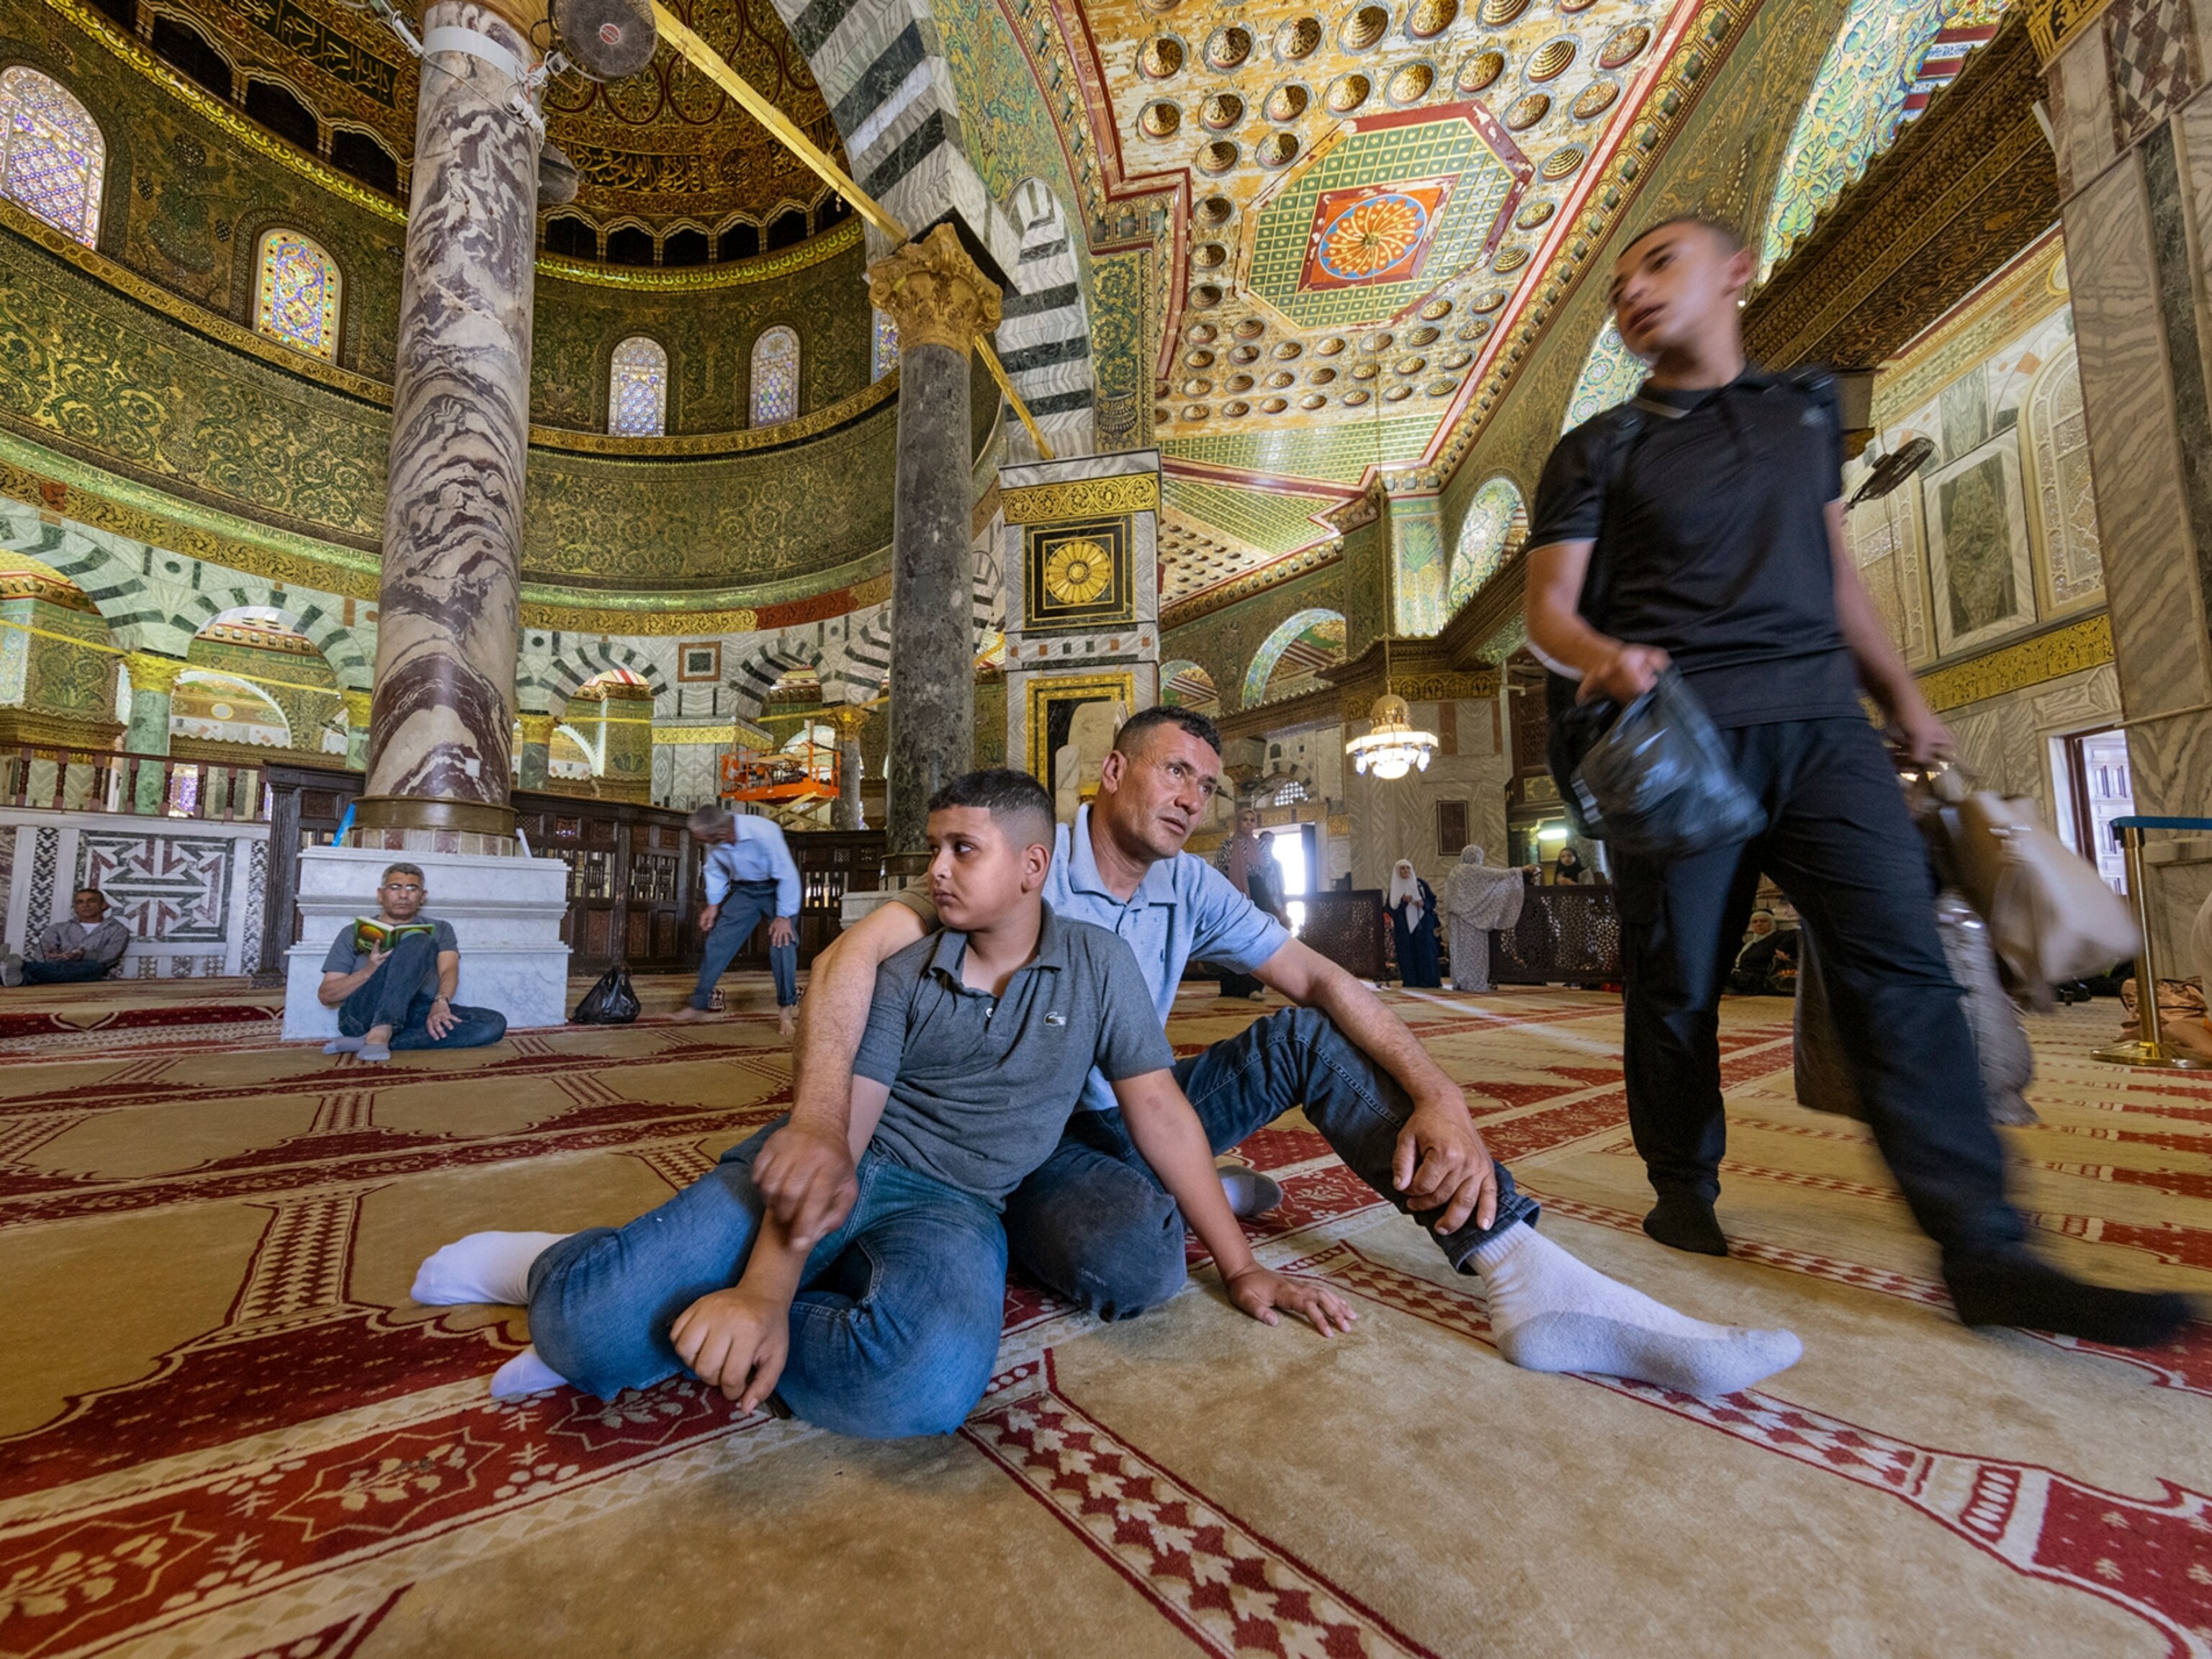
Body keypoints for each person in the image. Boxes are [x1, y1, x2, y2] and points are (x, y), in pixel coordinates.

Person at [1521, 214, 2190, 1346]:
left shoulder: (1803, 411)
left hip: (1826, 732)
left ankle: (1985, 1250)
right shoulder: (1598, 448)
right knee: (1676, 984)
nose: (1632, 290)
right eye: (1618, 283)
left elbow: (1835, 572)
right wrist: (1604, 657)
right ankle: (1685, 1184)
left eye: (1660, 262)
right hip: (1677, 740)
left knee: (1905, 972)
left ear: (1737, 272)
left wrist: (1907, 700)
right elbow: (1549, 611)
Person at [752, 706, 1804, 1399]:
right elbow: (855, 960)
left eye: (1206, 786)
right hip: (1024, 1141)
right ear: (1113, 771)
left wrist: (1439, 1093)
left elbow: (1328, 984)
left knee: (1307, 1036)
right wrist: (820, 1123)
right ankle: (1189, 1195)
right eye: (1174, 771)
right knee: (1136, 1264)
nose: (1190, 799)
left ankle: (1521, 1269)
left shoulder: (1188, 882)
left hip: (1140, 1107)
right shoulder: (1008, 860)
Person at [410, 770, 1355, 1432]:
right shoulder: (904, 963)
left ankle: (705, 1307)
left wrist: (1241, 1270)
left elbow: (1163, 1116)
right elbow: (839, 1141)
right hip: (847, 1167)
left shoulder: (1099, 965)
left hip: (960, 1209)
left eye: (962, 850)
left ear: (1032, 868)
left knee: (925, 1387)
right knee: (586, 1332)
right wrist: (763, 1285)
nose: (935, 869)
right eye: (935, 847)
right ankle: (568, 1266)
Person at [317, 863, 506, 1061]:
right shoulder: (352, 933)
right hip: (362, 1014)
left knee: (492, 1024)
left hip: (416, 1012)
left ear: (423, 896)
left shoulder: (441, 929)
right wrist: (369, 971)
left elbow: (449, 971)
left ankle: (371, 1039)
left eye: (412, 889)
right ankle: (379, 1030)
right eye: (395, 887)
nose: (403, 895)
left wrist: (441, 1002)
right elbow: (326, 995)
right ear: (381, 894)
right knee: (420, 940)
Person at [682, 803, 801, 1037]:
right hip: (745, 891)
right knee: (718, 942)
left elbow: (788, 875)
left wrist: (784, 916)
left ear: (721, 833)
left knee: (783, 944)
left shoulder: (764, 831)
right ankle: (697, 1004)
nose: (700, 842)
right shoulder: (714, 841)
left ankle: (786, 1011)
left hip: (777, 888)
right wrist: (713, 905)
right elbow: (715, 870)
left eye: (702, 838)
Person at [1440, 847, 1526, 994]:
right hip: (1475, 922)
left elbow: (1448, 897)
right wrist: (1520, 871)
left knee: (1460, 952)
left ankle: (1460, 981)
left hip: (1457, 920)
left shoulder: (1455, 871)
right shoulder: (1474, 871)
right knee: (1474, 953)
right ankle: (1473, 983)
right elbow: (1496, 875)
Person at [1213, 805, 1277, 999]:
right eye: (1245, 820)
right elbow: (1220, 869)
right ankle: (1232, 987)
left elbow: (1268, 871)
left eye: (1252, 820)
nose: (1249, 824)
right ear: (1238, 822)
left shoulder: (1261, 846)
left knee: (1256, 938)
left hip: (1257, 893)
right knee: (1232, 938)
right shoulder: (1228, 845)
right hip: (1233, 893)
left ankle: (1254, 986)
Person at [1, 888, 129, 985]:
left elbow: (108, 957)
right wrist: (60, 956)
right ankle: (18, 978)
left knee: (90, 967)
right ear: (76, 908)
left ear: (104, 905)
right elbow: (41, 955)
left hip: (90, 969)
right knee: (52, 968)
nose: (85, 905)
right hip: (54, 965)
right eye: (80, 902)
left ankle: (21, 966)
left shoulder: (117, 930)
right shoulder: (58, 928)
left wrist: (81, 955)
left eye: (92, 901)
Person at [1385, 860, 1441, 989]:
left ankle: (1428, 981)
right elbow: (1390, 908)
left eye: (1408, 868)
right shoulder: (1395, 888)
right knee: (1407, 953)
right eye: (1402, 869)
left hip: (1423, 924)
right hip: (1404, 927)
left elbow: (1432, 901)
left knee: (1425, 951)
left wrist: (1423, 903)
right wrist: (1402, 901)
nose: (1406, 871)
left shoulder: (1420, 884)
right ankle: (1411, 981)